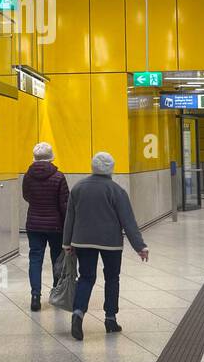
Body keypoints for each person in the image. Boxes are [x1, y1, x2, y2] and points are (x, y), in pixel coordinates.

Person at [62, 151, 148, 341]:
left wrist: (67, 242)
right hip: (111, 243)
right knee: (112, 278)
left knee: (86, 277)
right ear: (112, 168)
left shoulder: (78, 188)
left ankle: (78, 313)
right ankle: (110, 319)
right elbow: (128, 221)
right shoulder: (116, 190)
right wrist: (140, 246)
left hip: (82, 241)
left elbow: (70, 217)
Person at [21, 142, 69, 311]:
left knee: (35, 259)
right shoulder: (59, 177)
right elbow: (65, 204)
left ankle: (35, 295)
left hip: (34, 225)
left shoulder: (28, 176)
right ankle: (56, 291)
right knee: (57, 258)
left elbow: (26, 196)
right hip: (56, 226)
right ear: (51, 157)